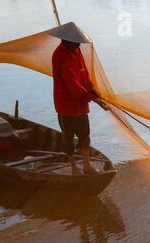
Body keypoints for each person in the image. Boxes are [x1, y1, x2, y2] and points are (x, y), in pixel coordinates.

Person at [49, 21, 108, 175]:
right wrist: (94, 99)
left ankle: (87, 166)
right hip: (66, 105)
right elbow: (73, 85)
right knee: (68, 138)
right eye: (75, 43)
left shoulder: (76, 51)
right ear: (65, 41)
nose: (78, 46)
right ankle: (74, 167)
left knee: (84, 135)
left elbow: (85, 75)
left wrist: (95, 92)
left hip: (81, 104)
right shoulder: (60, 56)